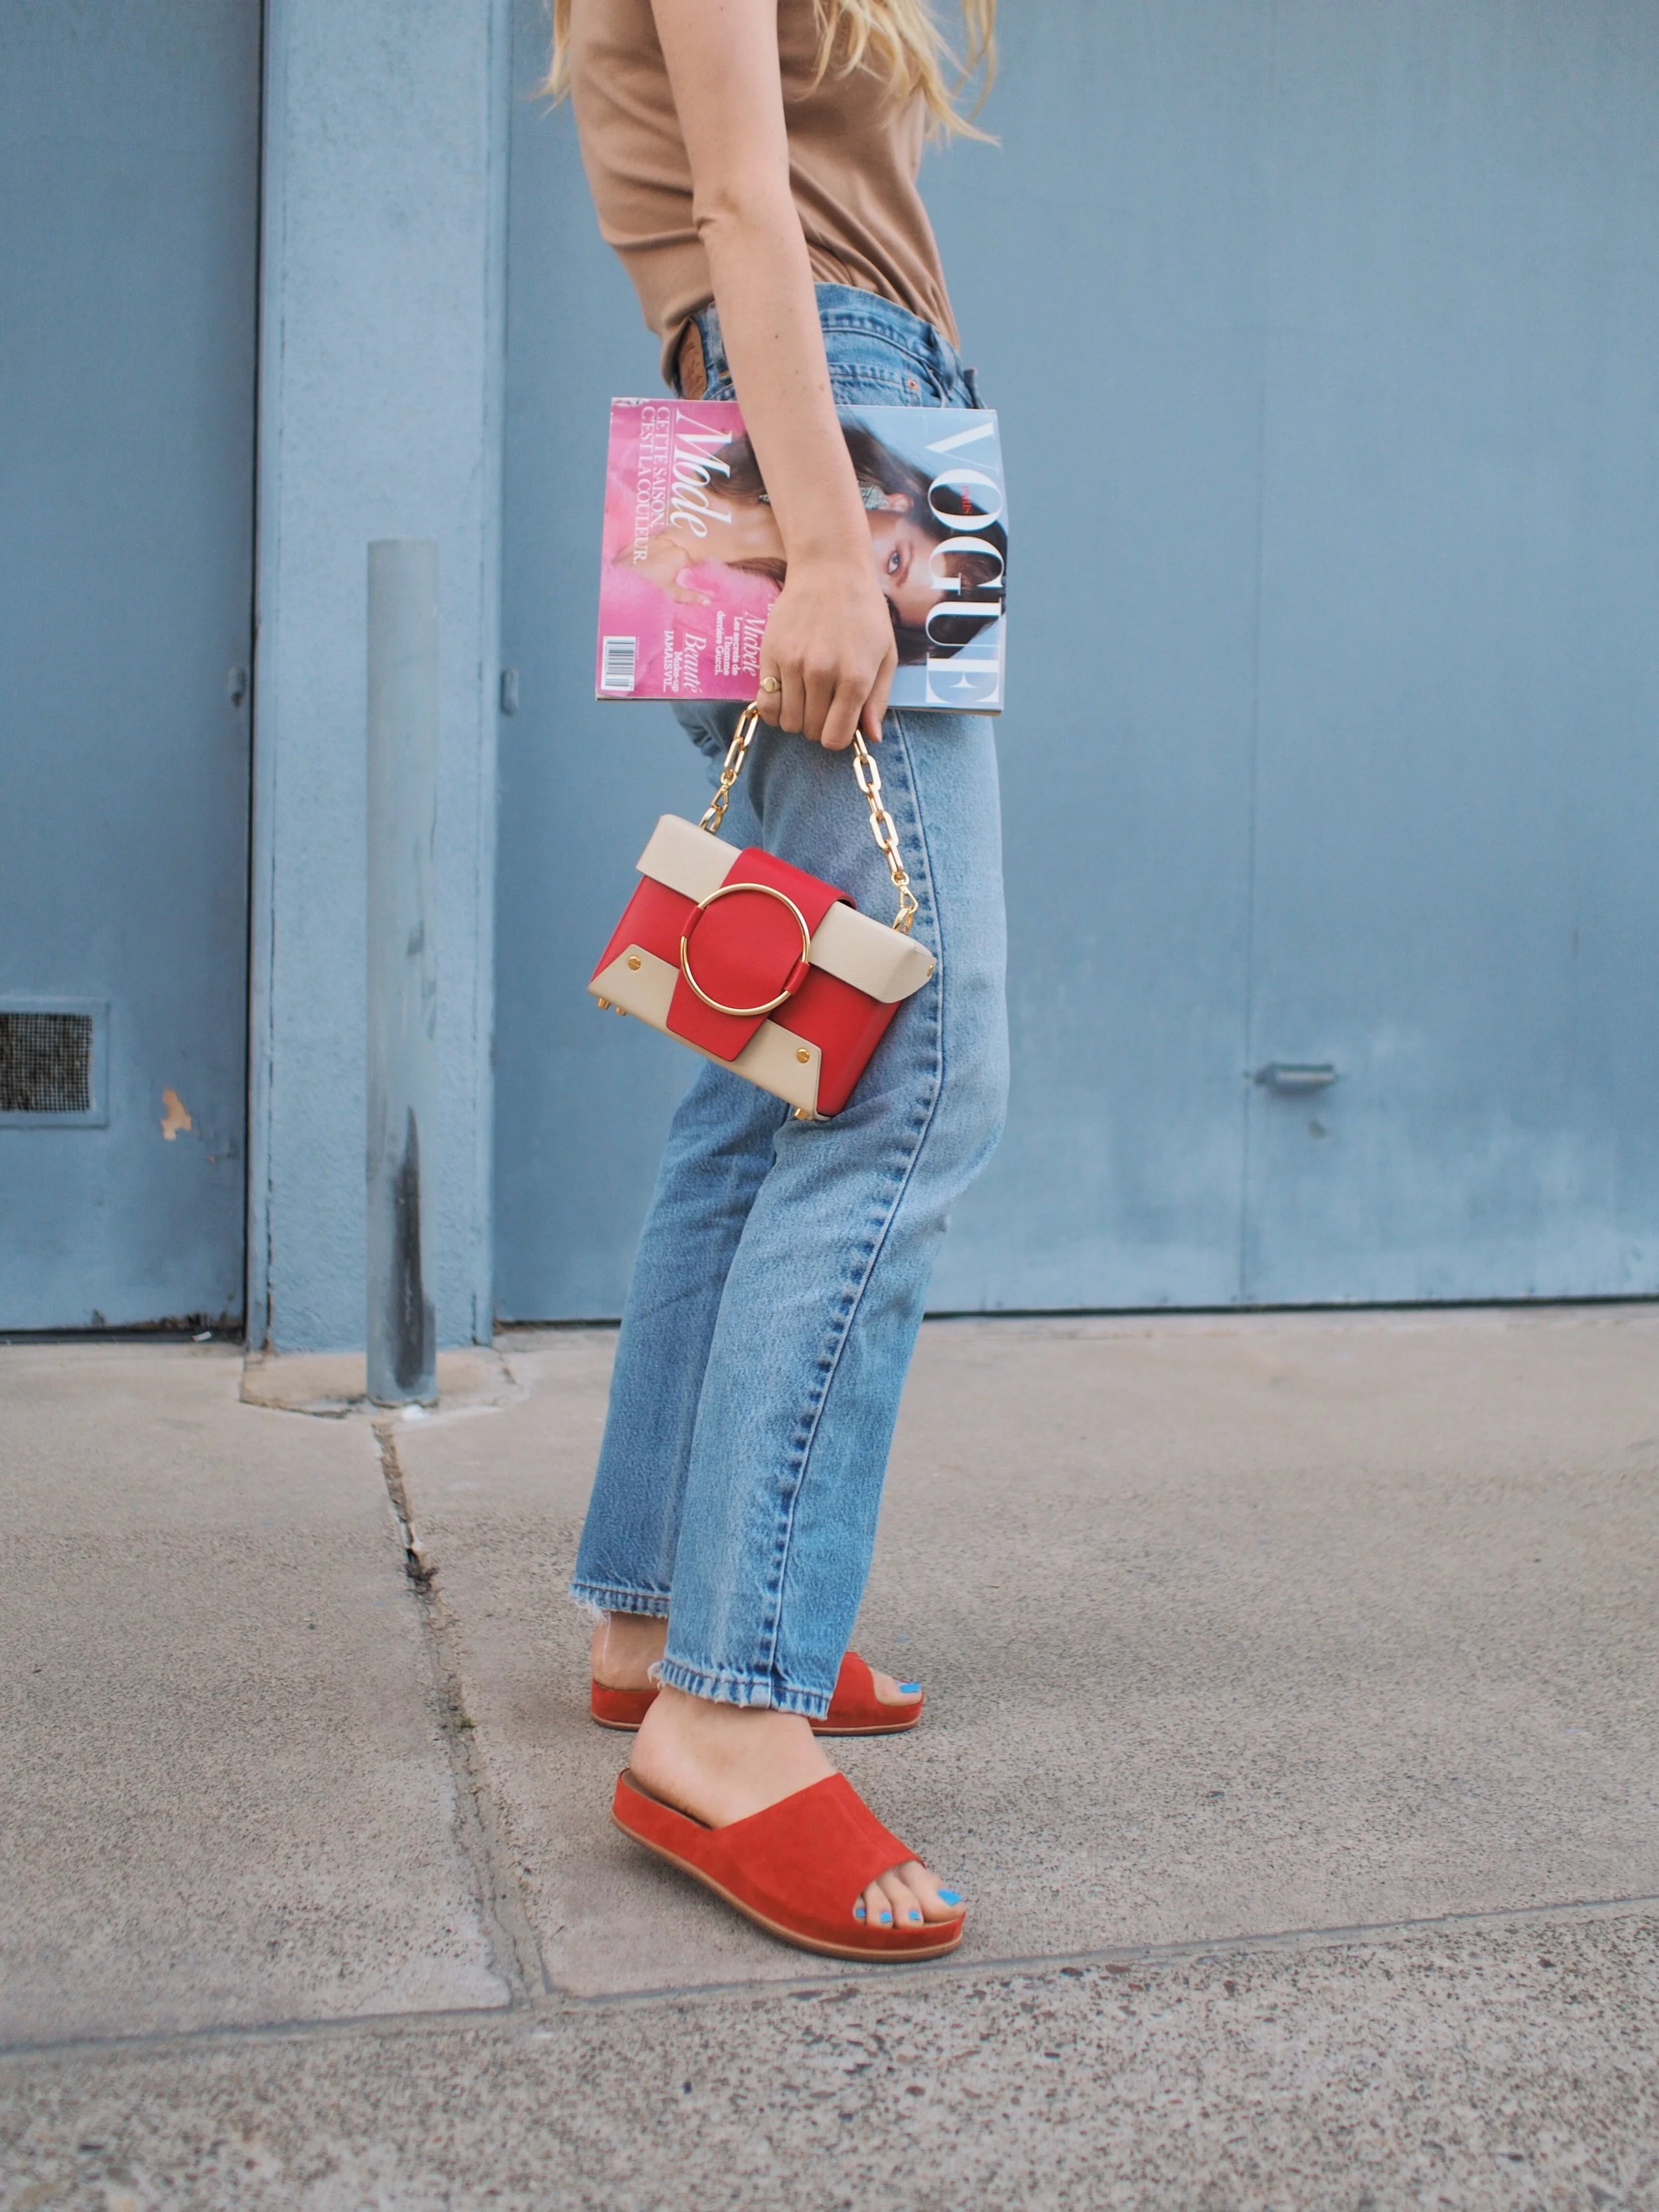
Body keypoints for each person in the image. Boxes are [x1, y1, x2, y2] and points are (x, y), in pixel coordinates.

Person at [553, 0, 1007, 1960]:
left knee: (780, 1061)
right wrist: (830, 550)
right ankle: (722, 1723)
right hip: (818, 414)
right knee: (914, 1070)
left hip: (845, 404)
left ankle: (669, 1608)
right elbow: (745, 193)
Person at [620, 417, 1009, 666]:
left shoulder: (733, 623)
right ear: (898, 503)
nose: (865, 587)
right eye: (895, 562)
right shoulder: (743, 431)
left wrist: (636, 593)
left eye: (883, 605)